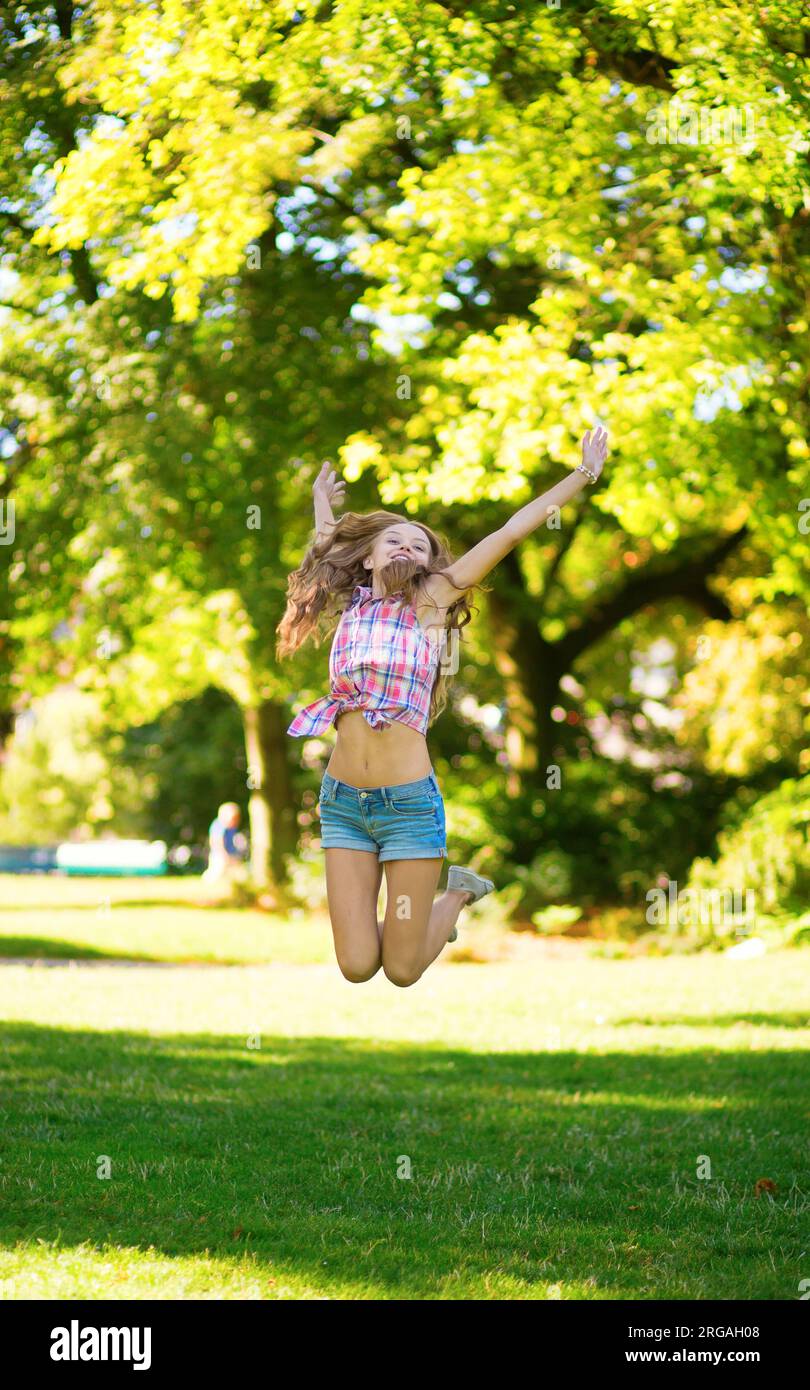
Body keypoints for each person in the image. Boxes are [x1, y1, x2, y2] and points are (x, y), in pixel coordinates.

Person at [276, 429, 609, 987]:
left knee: (401, 970)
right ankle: (426, 912)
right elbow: (329, 547)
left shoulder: (431, 602)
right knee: (356, 966)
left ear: (431, 565)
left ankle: (457, 894)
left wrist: (582, 474)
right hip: (343, 804)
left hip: (407, 808)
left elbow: (509, 532)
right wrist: (321, 505)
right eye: (393, 540)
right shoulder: (353, 605)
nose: (406, 548)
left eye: (419, 545)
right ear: (368, 559)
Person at [202, 802, 246, 890]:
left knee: (238, 872)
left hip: (230, 854)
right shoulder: (218, 826)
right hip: (220, 854)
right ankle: (206, 882)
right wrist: (223, 853)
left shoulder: (231, 828)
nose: (236, 821)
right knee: (216, 871)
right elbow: (217, 841)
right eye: (233, 818)